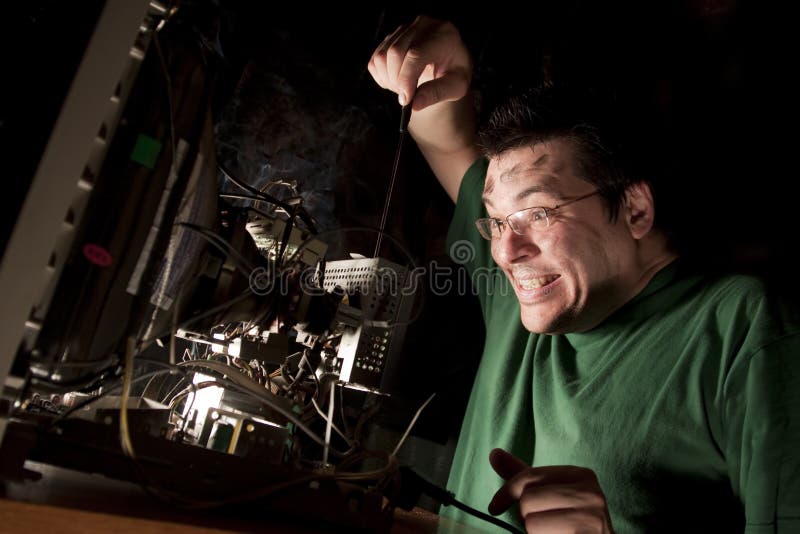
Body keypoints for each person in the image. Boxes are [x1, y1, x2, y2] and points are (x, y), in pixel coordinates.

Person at [368, 15, 800, 534]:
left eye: (539, 213)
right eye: (498, 220)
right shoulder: (525, 292)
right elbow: (444, 139)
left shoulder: (742, 329)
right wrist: (437, 65)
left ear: (636, 209)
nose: (507, 249)